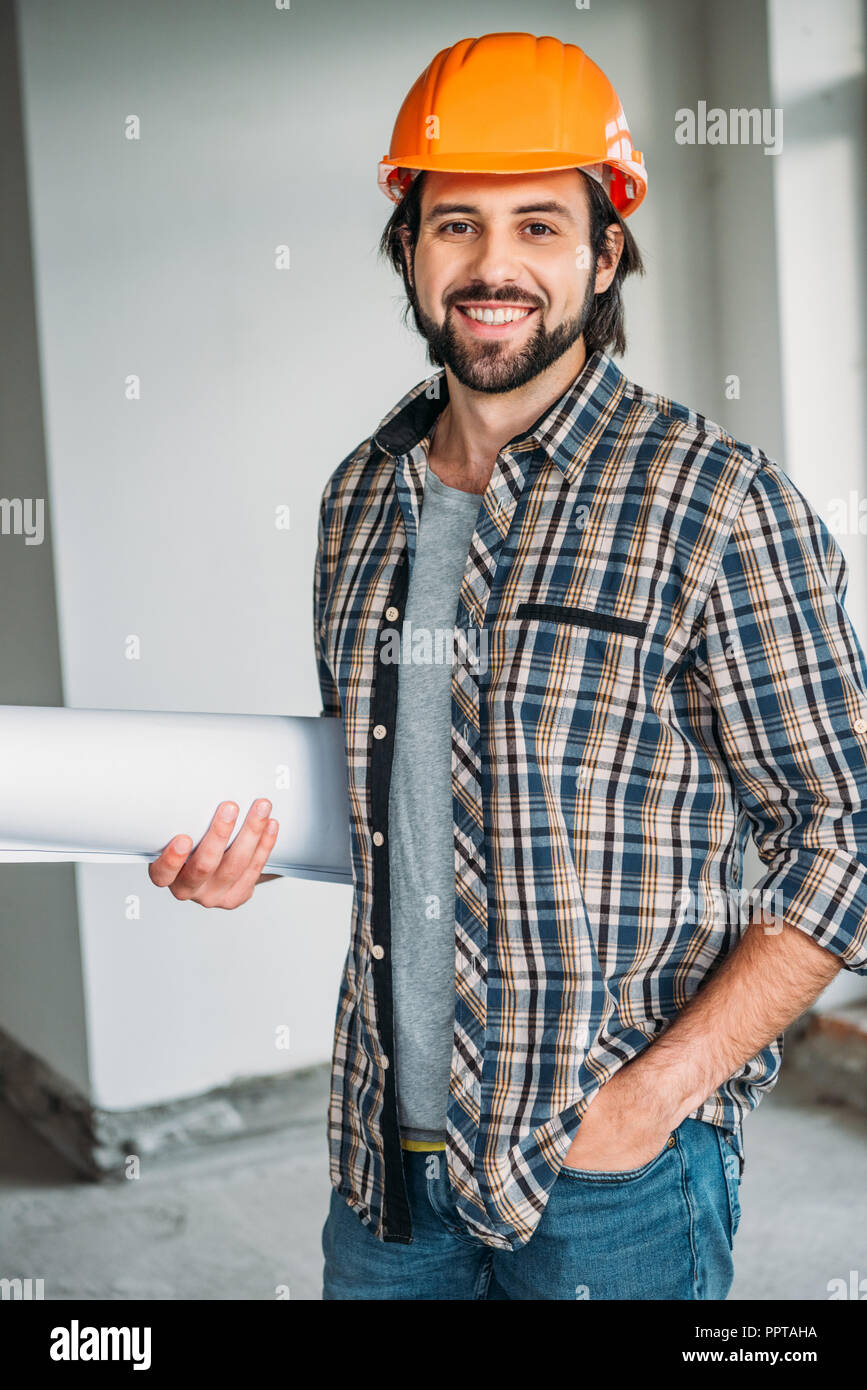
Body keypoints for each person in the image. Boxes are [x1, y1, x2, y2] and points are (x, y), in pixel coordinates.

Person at [148, 32, 867, 1300]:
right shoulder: (360, 500)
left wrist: (658, 1096)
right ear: (409, 251)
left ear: (605, 252)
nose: (494, 267)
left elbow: (844, 831)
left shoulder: (714, 504)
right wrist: (244, 853)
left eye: (540, 225)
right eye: (455, 224)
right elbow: (406, 801)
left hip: (611, 1180)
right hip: (387, 1169)